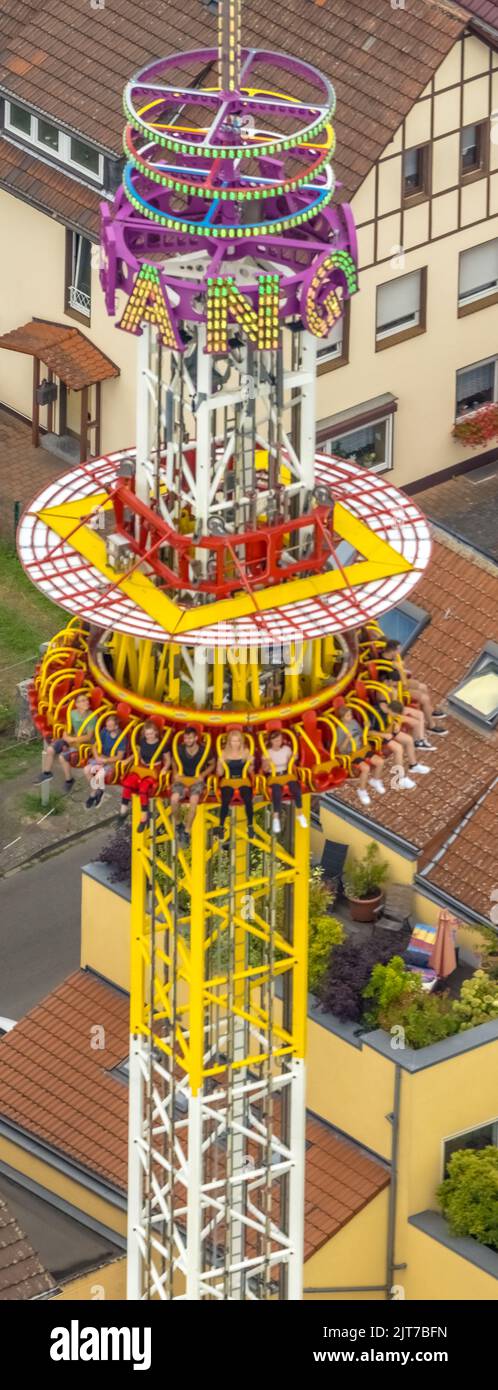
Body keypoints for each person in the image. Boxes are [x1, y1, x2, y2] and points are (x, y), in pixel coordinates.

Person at [382, 641, 448, 737]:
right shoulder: (384, 665)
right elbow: (402, 684)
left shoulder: (389, 658)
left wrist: (399, 666)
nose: (399, 652)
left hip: (399, 681)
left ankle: (429, 711)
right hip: (397, 686)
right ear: (392, 651)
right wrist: (400, 668)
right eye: (398, 650)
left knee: (423, 687)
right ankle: (431, 725)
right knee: (424, 698)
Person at [37, 691, 97, 792]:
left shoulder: (92, 716)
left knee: (62, 757)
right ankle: (47, 773)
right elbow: (68, 728)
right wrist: (65, 736)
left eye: (86, 700)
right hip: (71, 739)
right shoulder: (72, 713)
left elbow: (89, 737)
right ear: (77, 704)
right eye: (82, 701)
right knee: (50, 749)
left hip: (83, 744)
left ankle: (69, 780)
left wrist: (72, 740)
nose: (86, 702)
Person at [334, 702, 387, 808]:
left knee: (380, 761)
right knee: (365, 768)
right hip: (351, 754)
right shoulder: (339, 730)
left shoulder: (353, 722)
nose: (351, 717)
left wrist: (367, 727)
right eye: (348, 715)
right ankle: (361, 790)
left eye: (350, 714)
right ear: (342, 718)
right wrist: (347, 739)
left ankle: (375, 780)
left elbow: (362, 734)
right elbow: (341, 749)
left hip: (361, 749)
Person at [170, 727, 214, 845]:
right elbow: (173, 761)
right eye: (185, 738)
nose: (187, 740)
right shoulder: (180, 749)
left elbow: (212, 764)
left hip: (196, 780)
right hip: (183, 778)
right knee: (174, 799)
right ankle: (179, 824)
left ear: (195, 738)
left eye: (190, 738)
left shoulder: (203, 750)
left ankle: (186, 831)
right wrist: (175, 773)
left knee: (193, 801)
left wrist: (203, 774)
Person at [119, 720, 165, 833]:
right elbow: (138, 753)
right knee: (128, 783)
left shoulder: (161, 744)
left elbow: (168, 760)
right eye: (147, 734)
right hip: (142, 767)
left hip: (153, 769)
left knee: (143, 788)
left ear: (155, 733)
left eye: (151, 734)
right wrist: (127, 760)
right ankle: (123, 811)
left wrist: (164, 768)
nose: (149, 736)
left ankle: (144, 817)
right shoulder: (143, 741)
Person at [376, 697, 432, 787]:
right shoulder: (376, 714)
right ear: (390, 709)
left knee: (409, 740)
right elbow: (369, 731)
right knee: (399, 749)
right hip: (381, 735)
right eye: (395, 714)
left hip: (390, 730)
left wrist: (396, 724)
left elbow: (395, 718)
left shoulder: (388, 708)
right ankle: (400, 778)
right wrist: (385, 735)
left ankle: (413, 765)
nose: (395, 716)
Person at [262, 730, 308, 833]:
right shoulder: (267, 752)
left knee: (296, 789)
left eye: (280, 740)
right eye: (276, 740)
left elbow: (292, 760)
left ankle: (300, 814)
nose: (278, 742)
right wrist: (268, 763)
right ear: (271, 741)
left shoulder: (286, 749)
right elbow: (264, 769)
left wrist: (293, 757)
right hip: (274, 775)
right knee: (277, 792)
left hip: (286, 773)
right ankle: (275, 818)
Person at [215, 729, 254, 845]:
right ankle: (221, 826)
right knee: (225, 799)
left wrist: (252, 762)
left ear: (241, 741)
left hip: (242, 779)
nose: (235, 743)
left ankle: (250, 825)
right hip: (228, 779)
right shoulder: (224, 753)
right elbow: (219, 773)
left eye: (237, 741)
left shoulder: (246, 752)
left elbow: (250, 770)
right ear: (229, 742)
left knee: (248, 798)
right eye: (233, 741)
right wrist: (220, 763)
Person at [83, 714, 129, 809]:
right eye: (107, 725)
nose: (107, 728)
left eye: (109, 726)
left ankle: (92, 794)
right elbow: (94, 745)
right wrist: (96, 757)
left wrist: (105, 760)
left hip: (111, 762)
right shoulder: (104, 731)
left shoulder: (121, 737)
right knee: (86, 769)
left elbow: (119, 756)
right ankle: (98, 790)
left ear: (116, 726)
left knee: (99, 775)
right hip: (101, 757)